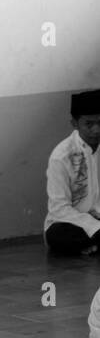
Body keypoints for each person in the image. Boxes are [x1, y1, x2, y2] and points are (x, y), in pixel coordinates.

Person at [44, 90, 100, 255]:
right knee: (57, 236)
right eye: (89, 124)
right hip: (75, 223)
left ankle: (93, 247)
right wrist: (94, 227)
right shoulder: (61, 156)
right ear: (74, 124)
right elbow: (59, 208)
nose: (96, 130)